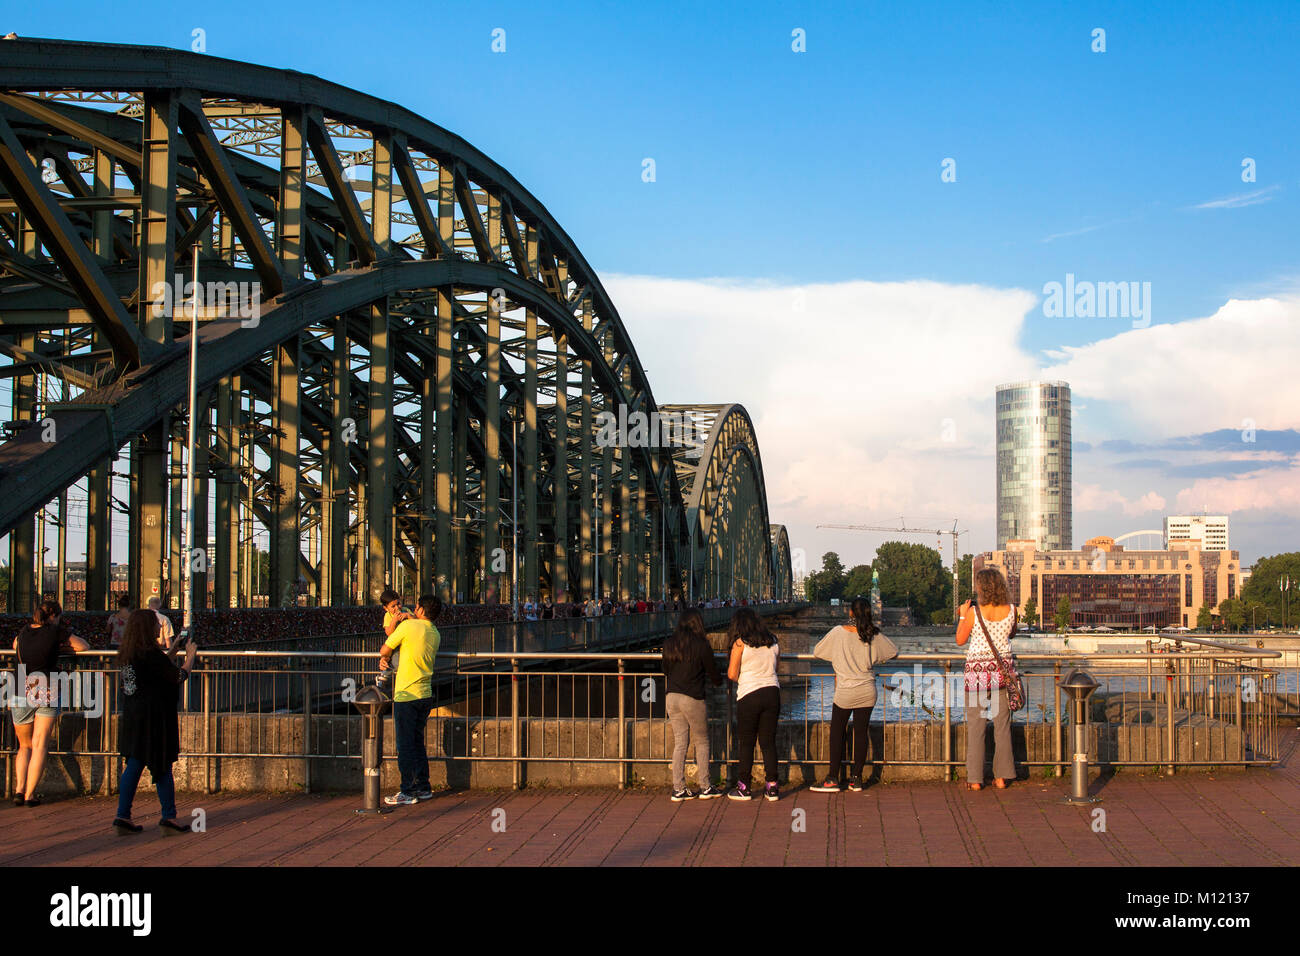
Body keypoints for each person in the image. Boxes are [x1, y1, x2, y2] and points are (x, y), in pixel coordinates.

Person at [113, 609, 197, 833]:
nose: (158, 628)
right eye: (155, 625)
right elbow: (177, 676)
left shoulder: (130, 654)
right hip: (154, 717)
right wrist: (190, 657)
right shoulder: (150, 655)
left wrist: (173, 649)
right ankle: (169, 816)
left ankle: (123, 815)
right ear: (147, 629)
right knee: (161, 764)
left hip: (133, 715)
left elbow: (157, 668)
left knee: (134, 762)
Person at [810, 597, 898, 792]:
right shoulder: (872, 634)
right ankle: (856, 779)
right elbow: (893, 651)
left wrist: (838, 656)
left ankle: (833, 778)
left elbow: (817, 651)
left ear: (850, 612)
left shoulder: (837, 633)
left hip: (845, 690)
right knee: (861, 732)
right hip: (867, 689)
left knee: (837, 732)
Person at [11, 600, 89, 806]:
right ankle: (30, 795)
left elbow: (15, 646)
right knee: (39, 745)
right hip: (46, 687)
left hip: (20, 687)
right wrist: (62, 646)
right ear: (54, 615)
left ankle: (18, 790)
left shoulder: (23, 631)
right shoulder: (56, 631)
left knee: (24, 746)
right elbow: (83, 646)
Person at [956, 568, 1019, 790]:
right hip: (1002, 673)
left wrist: (963, 614)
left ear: (981, 587)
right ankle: (1002, 777)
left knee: (976, 726)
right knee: (1002, 726)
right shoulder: (1012, 610)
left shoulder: (974, 612)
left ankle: (975, 779)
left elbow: (960, 639)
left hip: (976, 677)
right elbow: (1011, 633)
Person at [379, 593, 442, 805]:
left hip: (406, 693)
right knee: (417, 743)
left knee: (405, 745)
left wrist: (385, 658)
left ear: (422, 610)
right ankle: (424, 787)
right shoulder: (435, 632)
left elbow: (385, 649)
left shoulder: (408, 627)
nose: (413, 610)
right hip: (425, 694)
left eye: (416, 607)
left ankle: (407, 790)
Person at [661, 609, 725, 801]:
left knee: (680, 742)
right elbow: (712, 671)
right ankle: (705, 786)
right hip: (693, 697)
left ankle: (678, 788)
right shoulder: (701, 645)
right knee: (702, 741)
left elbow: (665, 669)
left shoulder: (669, 643)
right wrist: (719, 682)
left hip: (672, 696)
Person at [726, 607, 781, 802]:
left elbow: (732, 674)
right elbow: (776, 667)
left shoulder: (740, 644)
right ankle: (772, 786)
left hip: (749, 694)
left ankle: (743, 787)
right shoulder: (773, 641)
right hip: (772, 692)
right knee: (768, 742)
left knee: (747, 742)